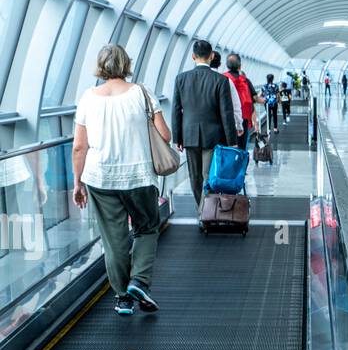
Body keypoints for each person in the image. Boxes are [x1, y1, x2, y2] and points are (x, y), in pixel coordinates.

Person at [72, 43, 170, 315]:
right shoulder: (142, 93)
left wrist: (77, 182)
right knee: (147, 228)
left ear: (100, 66)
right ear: (126, 64)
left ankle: (123, 298)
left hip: (100, 178)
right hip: (139, 175)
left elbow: (79, 146)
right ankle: (139, 280)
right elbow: (165, 135)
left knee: (114, 240)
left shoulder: (88, 98)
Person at [172, 40, 236, 207]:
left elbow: (176, 110)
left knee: (194, 176)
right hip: (213, 136)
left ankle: (201, 209)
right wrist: (232, 142)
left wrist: (177, 138)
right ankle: (205, 210)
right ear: (212, 56)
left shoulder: (181, 79)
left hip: (189, 135)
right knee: (209, 175)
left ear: (193, 56)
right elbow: (226, 113)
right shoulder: (221, 80)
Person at [223, 53, 258, 152]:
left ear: (227, 65)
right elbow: (253, 99)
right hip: (243, 119)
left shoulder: (222, 79)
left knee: (227, 149)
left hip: (226, 119)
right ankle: (240, 166)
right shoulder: (245, 81)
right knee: (241, 149)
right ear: (240, 66)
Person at [210, 50, 243, 142]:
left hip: (193, 133)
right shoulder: (225, 80)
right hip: (220, 130)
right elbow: (235, 105)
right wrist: (239, 125)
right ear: (220, 64)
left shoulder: (188, 79)